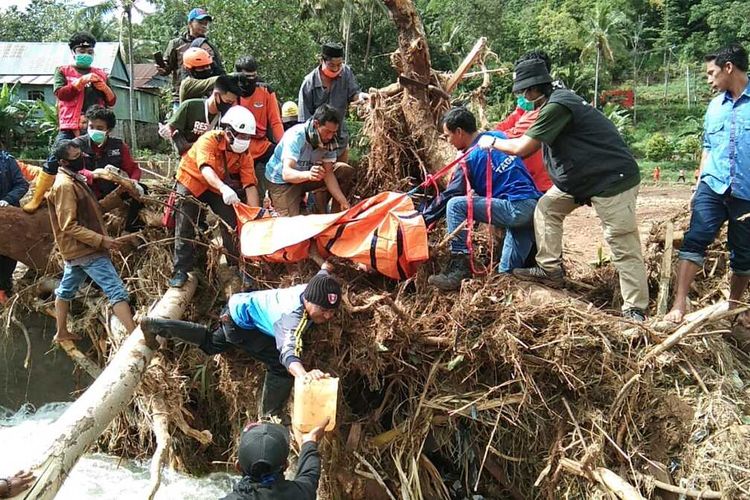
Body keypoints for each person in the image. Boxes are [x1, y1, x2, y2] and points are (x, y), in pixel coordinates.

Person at [484, 58, 649, 321]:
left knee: (621, 243)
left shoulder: (556, 107)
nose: (524, 97)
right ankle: (550, 270)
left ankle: (634, 308)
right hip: (579, 181)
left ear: (536, 88)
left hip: (611, 180)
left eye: (526, 91)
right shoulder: (555, 102)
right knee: (547, 208)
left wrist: (491, 142)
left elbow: (522, 148)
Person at [141, 265, 341, 419]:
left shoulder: (314, 287)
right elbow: (288, 352)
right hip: (240, 326)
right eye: (323, 310)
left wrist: (325, 268)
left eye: (332, 311)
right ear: (309, 301)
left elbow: (321, 276)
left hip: (237, 307)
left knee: (211, 344)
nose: (328, 316)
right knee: (280, 366)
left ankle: (157, 325)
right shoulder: (291, 320)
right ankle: (270, 417)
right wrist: (303, 376)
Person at [665, 44, 750, 325]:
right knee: (694, 240)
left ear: (729, 68)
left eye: (712, 73)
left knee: (743, 255)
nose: (709, 80)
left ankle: (734, 308)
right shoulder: (714, 107)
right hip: (713, 186)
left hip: (746, 193)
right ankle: (679, 304)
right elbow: (707, 147)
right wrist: (698, 184)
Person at [422, 107, 541, 291]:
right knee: (505, 275)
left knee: (455, 206)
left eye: (447, 136)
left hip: (516, 209)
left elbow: (452, 194)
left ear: (459, 132)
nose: (448, 141)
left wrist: (423, 219)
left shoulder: (469, 158)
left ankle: (459, 269)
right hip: (534, 208)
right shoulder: (499, 137)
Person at [47, 140, 136, 342]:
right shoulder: (65, 186)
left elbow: (92, 210)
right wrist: (101, 240)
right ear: (63, 162)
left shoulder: (74, 180)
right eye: (76, 157)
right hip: (86, 250)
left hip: (76, 250)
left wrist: (117, 196)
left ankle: (61, 332)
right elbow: (68, 225)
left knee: (66, 289)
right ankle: (135, 336)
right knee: (116, 291)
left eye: (81, 155)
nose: (82, 159)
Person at [23, 32, 116, 213]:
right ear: (73, 51)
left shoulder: (101, 74)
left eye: (90, 51)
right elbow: (61, 94)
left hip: (92, 126)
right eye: (82, 50)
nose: (86, 54)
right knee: (55, 158)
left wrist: (104, 87)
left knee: (92, 163)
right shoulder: (63, 71)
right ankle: (37, 198)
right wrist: (79, 83)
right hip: (70, 124)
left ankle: (96, 201)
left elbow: (111, 101)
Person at [170, 105, 259, 288]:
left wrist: (254, 215)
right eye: (241, 136)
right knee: (185, 221)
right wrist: (224, 188)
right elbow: (205, 169)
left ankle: (238, 266)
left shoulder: (245, 154)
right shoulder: (208, 140)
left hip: (217, 187)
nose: (244, 141)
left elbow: (249, 184)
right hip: (192, 179)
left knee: (231, 224)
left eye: (247, 137)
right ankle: (180, 270)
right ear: (228, 132)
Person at [265, 104, 353, 216]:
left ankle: (335, 215)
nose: (330, 137)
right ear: (316, 124)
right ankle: (294, 206)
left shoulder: (330, 141)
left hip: (305, 176)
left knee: (343, 171)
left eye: (333, 133)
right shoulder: (296, 137)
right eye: (327, 131)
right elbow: (286, 174)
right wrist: (308, 175)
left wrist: (342, 201)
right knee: (291, 226)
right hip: (282, 182)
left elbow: (329, 174)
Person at [72, 105, 145, 231]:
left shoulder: (118, 146)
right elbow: (72, 170)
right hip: (86, 193)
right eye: (91, 127)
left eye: (100, 128)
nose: (94, 130)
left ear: (108, 130)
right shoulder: (77, 145)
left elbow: (133, 169)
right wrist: (94, 174)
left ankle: (131, 228)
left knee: (143, 189)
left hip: (112, 193)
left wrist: (134, 182)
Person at [298, 42, 369, 163]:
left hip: (340, 138)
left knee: (342, 175)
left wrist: (361, 97)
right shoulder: (309, 83)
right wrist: (317, 141)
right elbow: (304, 119)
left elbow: (354, 94)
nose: (336, 69)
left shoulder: (346, 73)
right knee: (320, 176)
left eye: (339, 64)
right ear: (322, 61)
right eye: (331, 65)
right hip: (317, 142)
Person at [220, 420, 327, 500]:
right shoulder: (301, 494)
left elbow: (309, 475)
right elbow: (309, 474)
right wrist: (310, 442)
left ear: (238, 466)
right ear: (286, 465)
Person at [494, 50, 554, 193]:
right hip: (533, 178)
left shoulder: (546, 109)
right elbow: (508, 123)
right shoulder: (530, 104)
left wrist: (488, 139)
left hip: (541, 181)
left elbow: (512, 136)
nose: (522, 95)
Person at [235, 56, 284, 201]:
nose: (250, 80)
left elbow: (275, 121)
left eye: (253, 76)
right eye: (246, 76)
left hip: (261, 143)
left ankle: (289, 201)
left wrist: (284, 147)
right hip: (239, 144)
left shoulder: (265, 90)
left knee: (282, 161)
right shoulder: (231, 90)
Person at [157, 7, 224, 109]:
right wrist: (162, 68)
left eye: (206, 23)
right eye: (200, 22)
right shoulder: (176, 44)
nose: (204, 26)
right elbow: (166, 69)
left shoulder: (210, 47)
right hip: (181, 97)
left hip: (206, 97)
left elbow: (219, 71)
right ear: (190, 23)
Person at [163, 74, 242, 156]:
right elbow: (170, 127)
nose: (229, 105)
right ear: (216, 95)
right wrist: (166, 131)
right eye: (228, 101)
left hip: (213, 162)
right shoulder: (190, 106)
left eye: (232, 103)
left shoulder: (229, 116)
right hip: (189, 162)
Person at [0, 144, 30, 304]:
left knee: (6, 256)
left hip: (7, 220)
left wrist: (7, 200)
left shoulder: (7, 161)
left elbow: (22, 184)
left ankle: (4, 290)